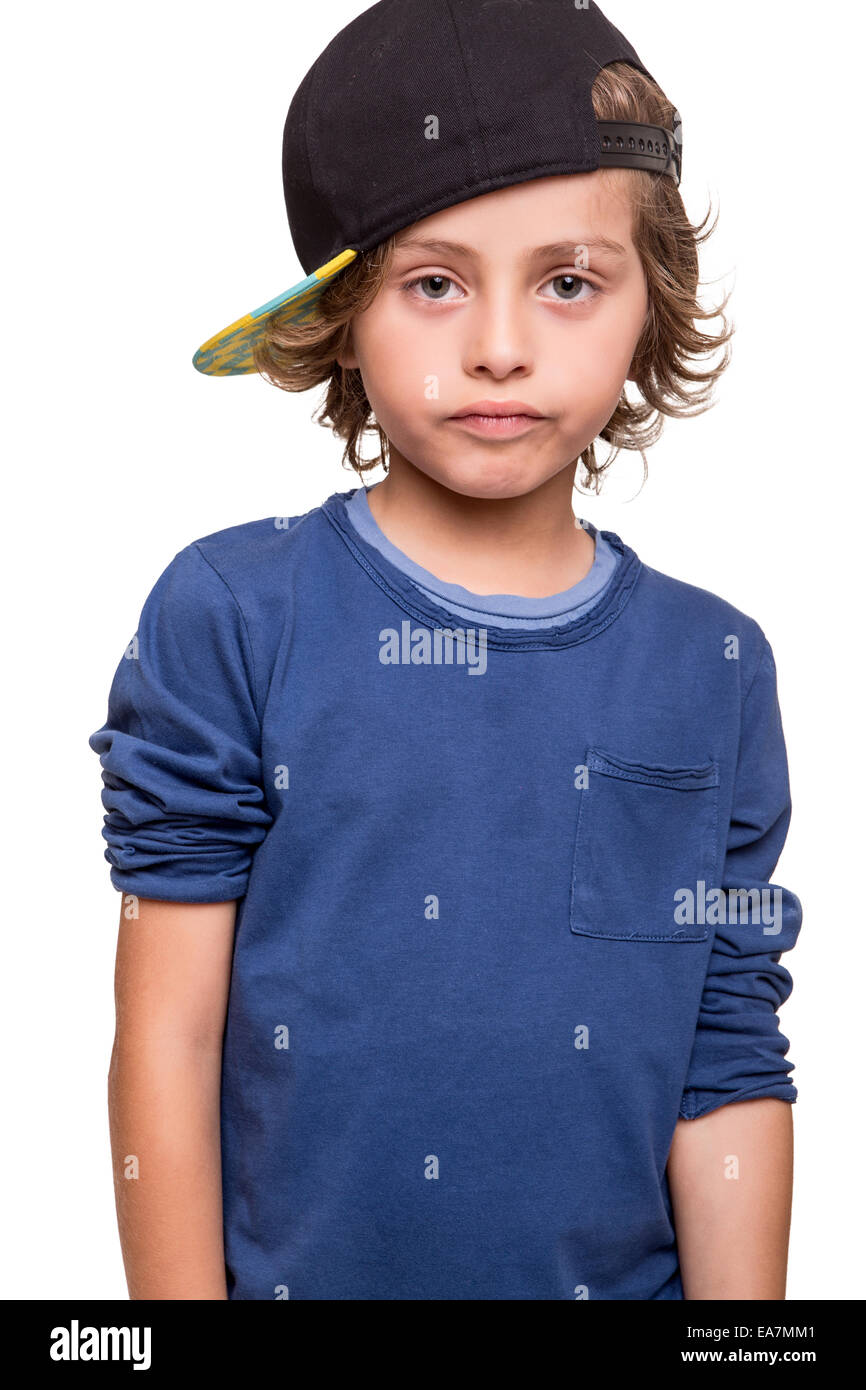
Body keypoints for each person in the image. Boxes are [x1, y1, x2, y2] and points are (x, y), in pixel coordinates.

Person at [89, 0, 802, 1300]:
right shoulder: (233, 615)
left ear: (651, 304)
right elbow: (169, 1037)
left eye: (568, 281)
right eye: (433, 283)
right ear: (345, 312)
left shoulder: (717, 665)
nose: (499, 346)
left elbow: (727, 1050)